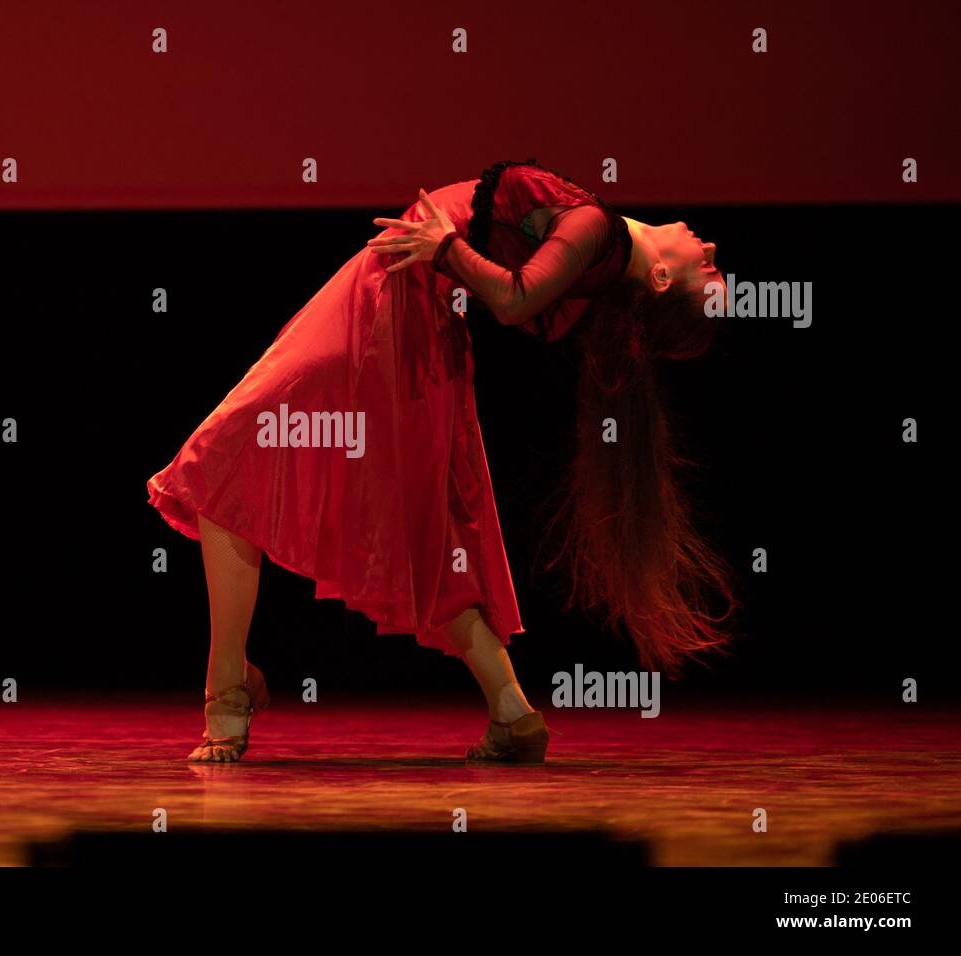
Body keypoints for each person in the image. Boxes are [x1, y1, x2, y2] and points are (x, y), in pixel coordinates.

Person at [147, 159, 735, 763]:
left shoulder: (593, 229)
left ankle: (227, 691)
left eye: (708, 268)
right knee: (420, 527)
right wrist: (448, 250)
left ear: (661, 278)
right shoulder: (598, 242)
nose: (710, 245)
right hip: (415, 310)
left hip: (396, 298)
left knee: (222, 457)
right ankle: (510, 708)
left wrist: (446, 245)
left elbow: (513, 300)